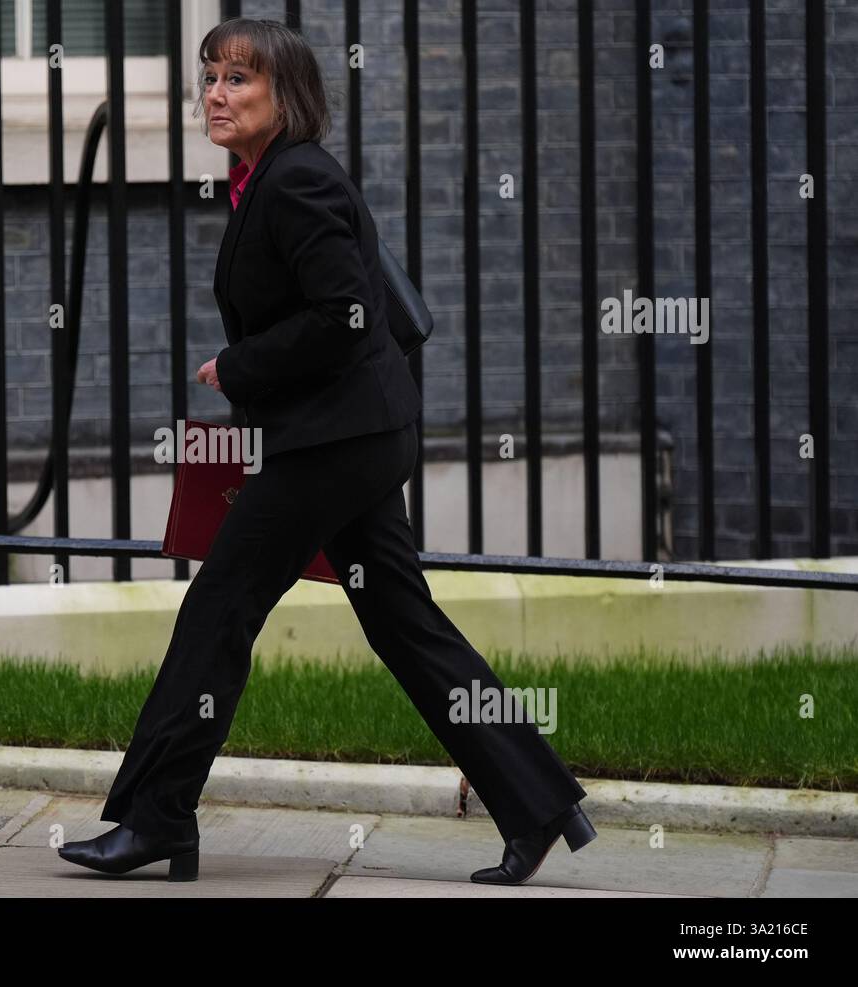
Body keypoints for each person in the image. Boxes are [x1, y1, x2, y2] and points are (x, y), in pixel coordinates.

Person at [59, 16, 595, 885]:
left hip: (333, 443)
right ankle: (538, 802)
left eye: (238, 79)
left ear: (287, 94)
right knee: (403, 620)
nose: (216, 94)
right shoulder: (268, 179)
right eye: (209, 77)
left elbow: (344, 320)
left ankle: (157, 819)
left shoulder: (298, 179)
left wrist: (237, 364)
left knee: (219, 607)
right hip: (359, 435)